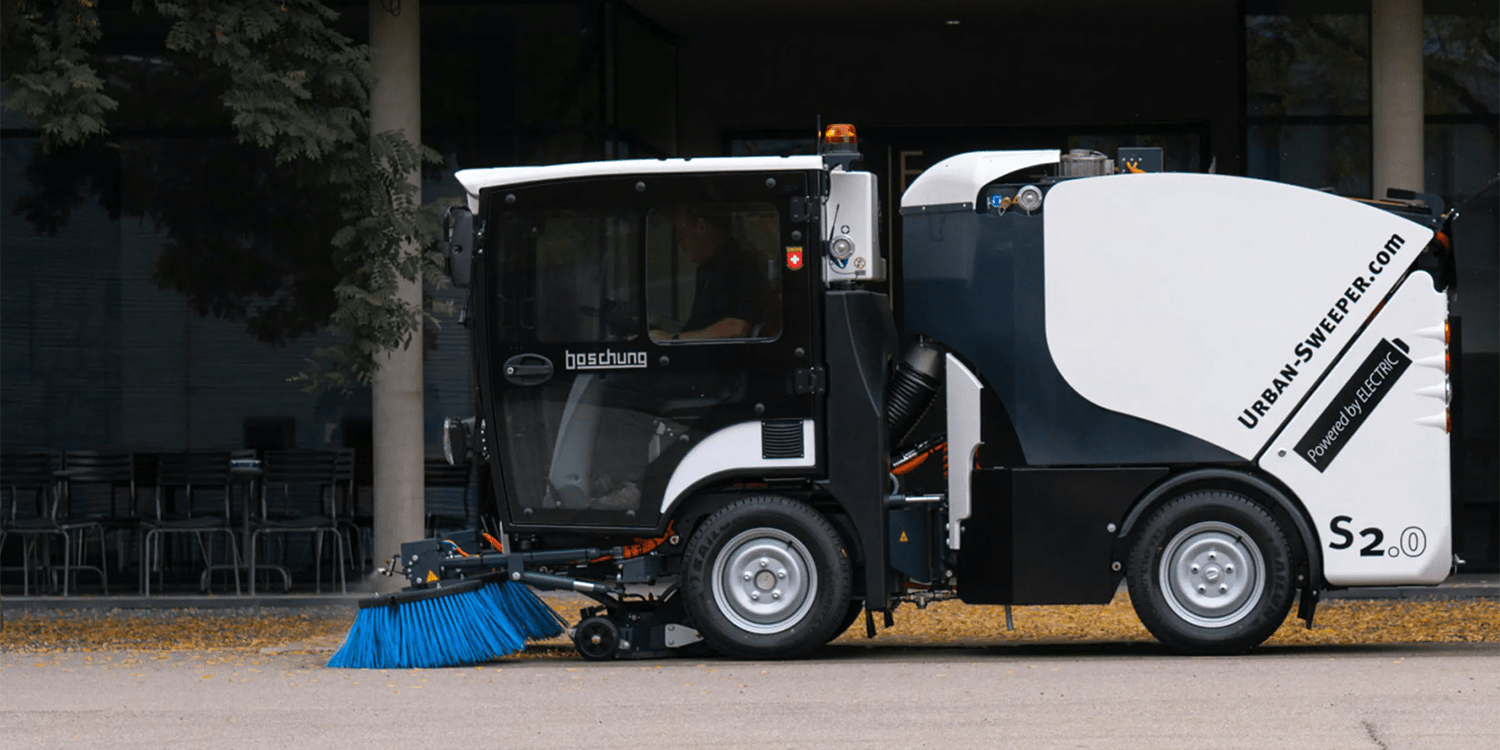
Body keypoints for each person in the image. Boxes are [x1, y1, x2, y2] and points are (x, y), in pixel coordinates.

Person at [651, 207, 766, 341]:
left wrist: (673, 339)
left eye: (681, 235)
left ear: (701, 226)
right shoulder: (707, 268)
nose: (681, 245)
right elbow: (701, 324)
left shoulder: (737, 265)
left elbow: (737, 327)